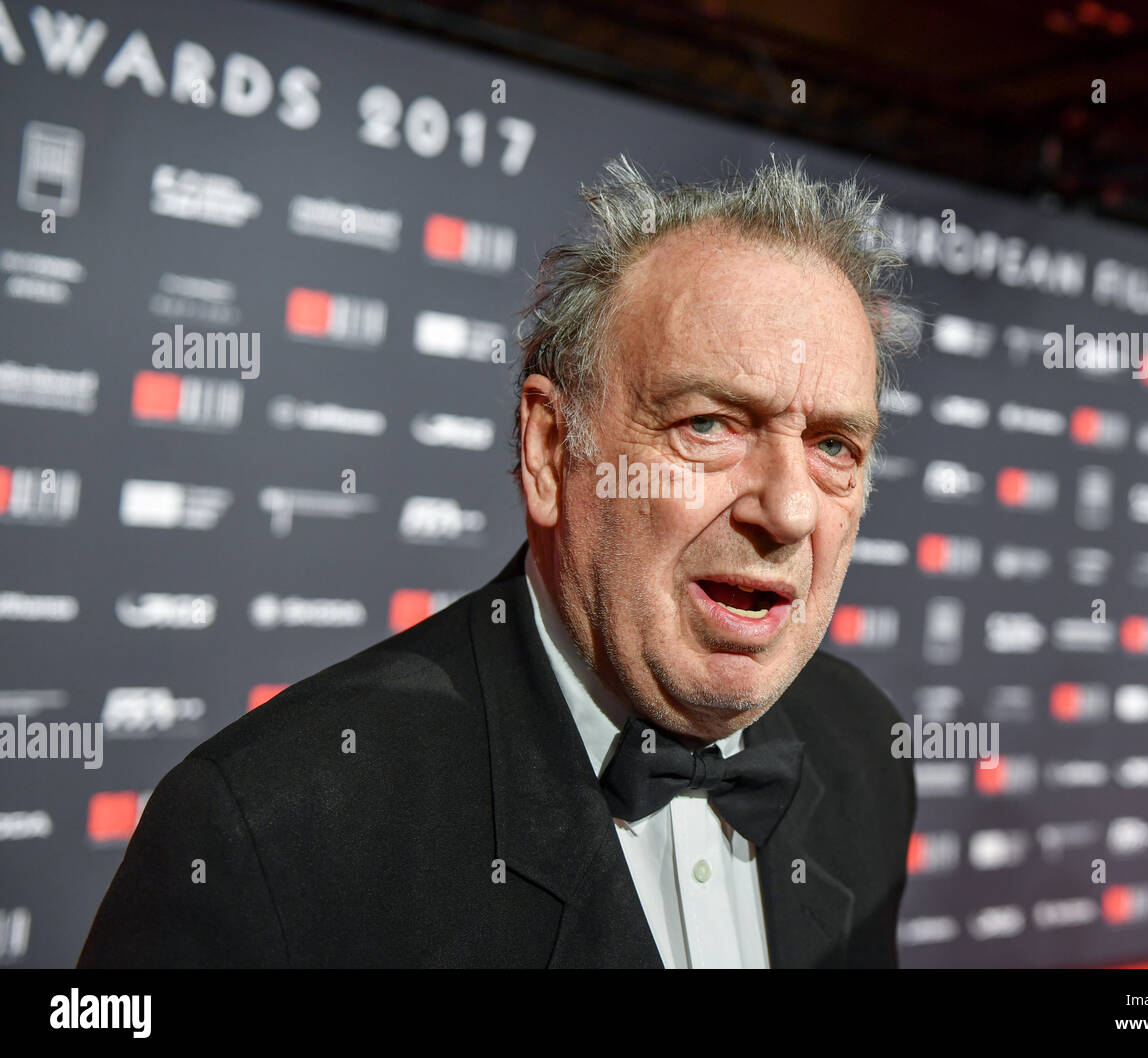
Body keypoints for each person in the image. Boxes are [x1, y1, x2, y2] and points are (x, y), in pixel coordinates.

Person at [78, 155, 919, 968]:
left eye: (834, 445)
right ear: (552, 452)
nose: (788, 508)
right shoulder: (266, 829)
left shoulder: (862, 746)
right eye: (708, 425)